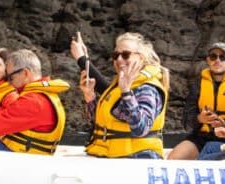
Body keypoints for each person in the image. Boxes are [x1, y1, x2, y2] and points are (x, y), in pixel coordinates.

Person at [71, 31, 169, 159]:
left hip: (138, 158)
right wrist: (89, 96)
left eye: (126, 54)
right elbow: (102, 121)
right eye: (116, 55)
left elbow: (141, 128)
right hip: (112, 155)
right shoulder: (119, 85)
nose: (119, 59)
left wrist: (126, 92)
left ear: (141, 57)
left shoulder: (147, 89)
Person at [167, 42, 225, 160]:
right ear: (208, 60)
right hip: (201, 136)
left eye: (222, 57)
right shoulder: (198, 86)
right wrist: (199, 119)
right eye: (213, 56)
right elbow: (187, 121)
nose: (217, 60)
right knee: (174, 158)